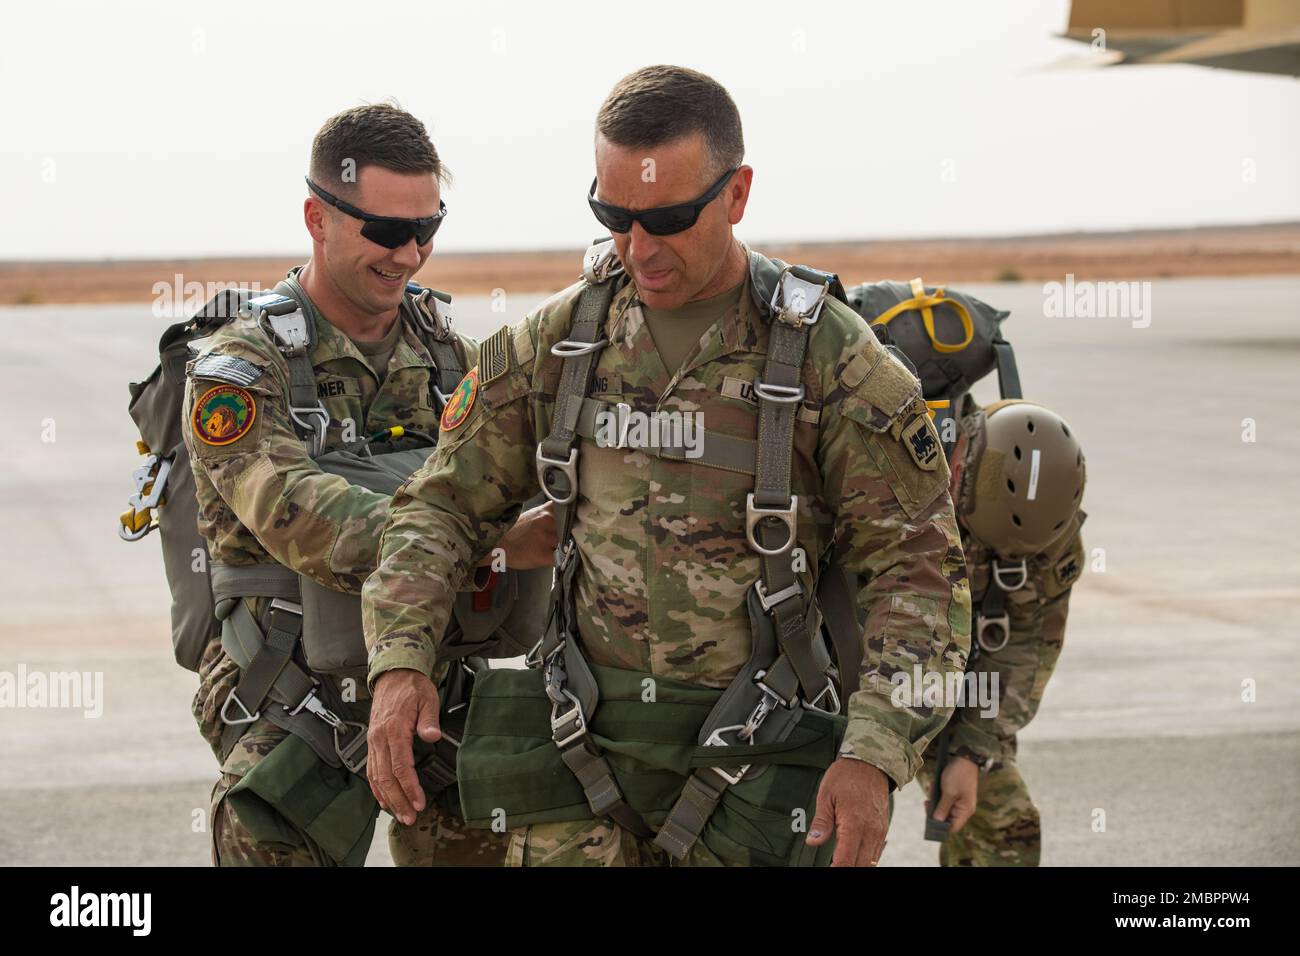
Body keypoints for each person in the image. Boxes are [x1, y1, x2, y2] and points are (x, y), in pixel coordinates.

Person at [362, 65, 971, 867]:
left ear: (737, 194)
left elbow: (918, 571)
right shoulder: (557, 345)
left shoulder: (833, 361)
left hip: (760, 756)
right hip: (582, 754)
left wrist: (875, 752)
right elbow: (439, 507)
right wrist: (400, 664)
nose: (637, 248)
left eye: (669, 218)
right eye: (613, 215)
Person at [181, 103, 554, 866]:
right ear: (318, 218)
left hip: (438, 667)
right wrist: (488, 540)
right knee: (270, 833)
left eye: (427, 230)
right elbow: (302, 516)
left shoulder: (449, 351)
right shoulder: (240, 369)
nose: (410, 255)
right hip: (287, 677)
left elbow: (532, 460)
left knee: (531, 822)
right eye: (386, 233)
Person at [917, 396, 1086, 866]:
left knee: (1005, 828)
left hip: (944, 675)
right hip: (843, 664)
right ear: (956, 471)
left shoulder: (1052, 536)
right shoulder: (891, 470)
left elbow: (1027, 648)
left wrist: (971, 753)